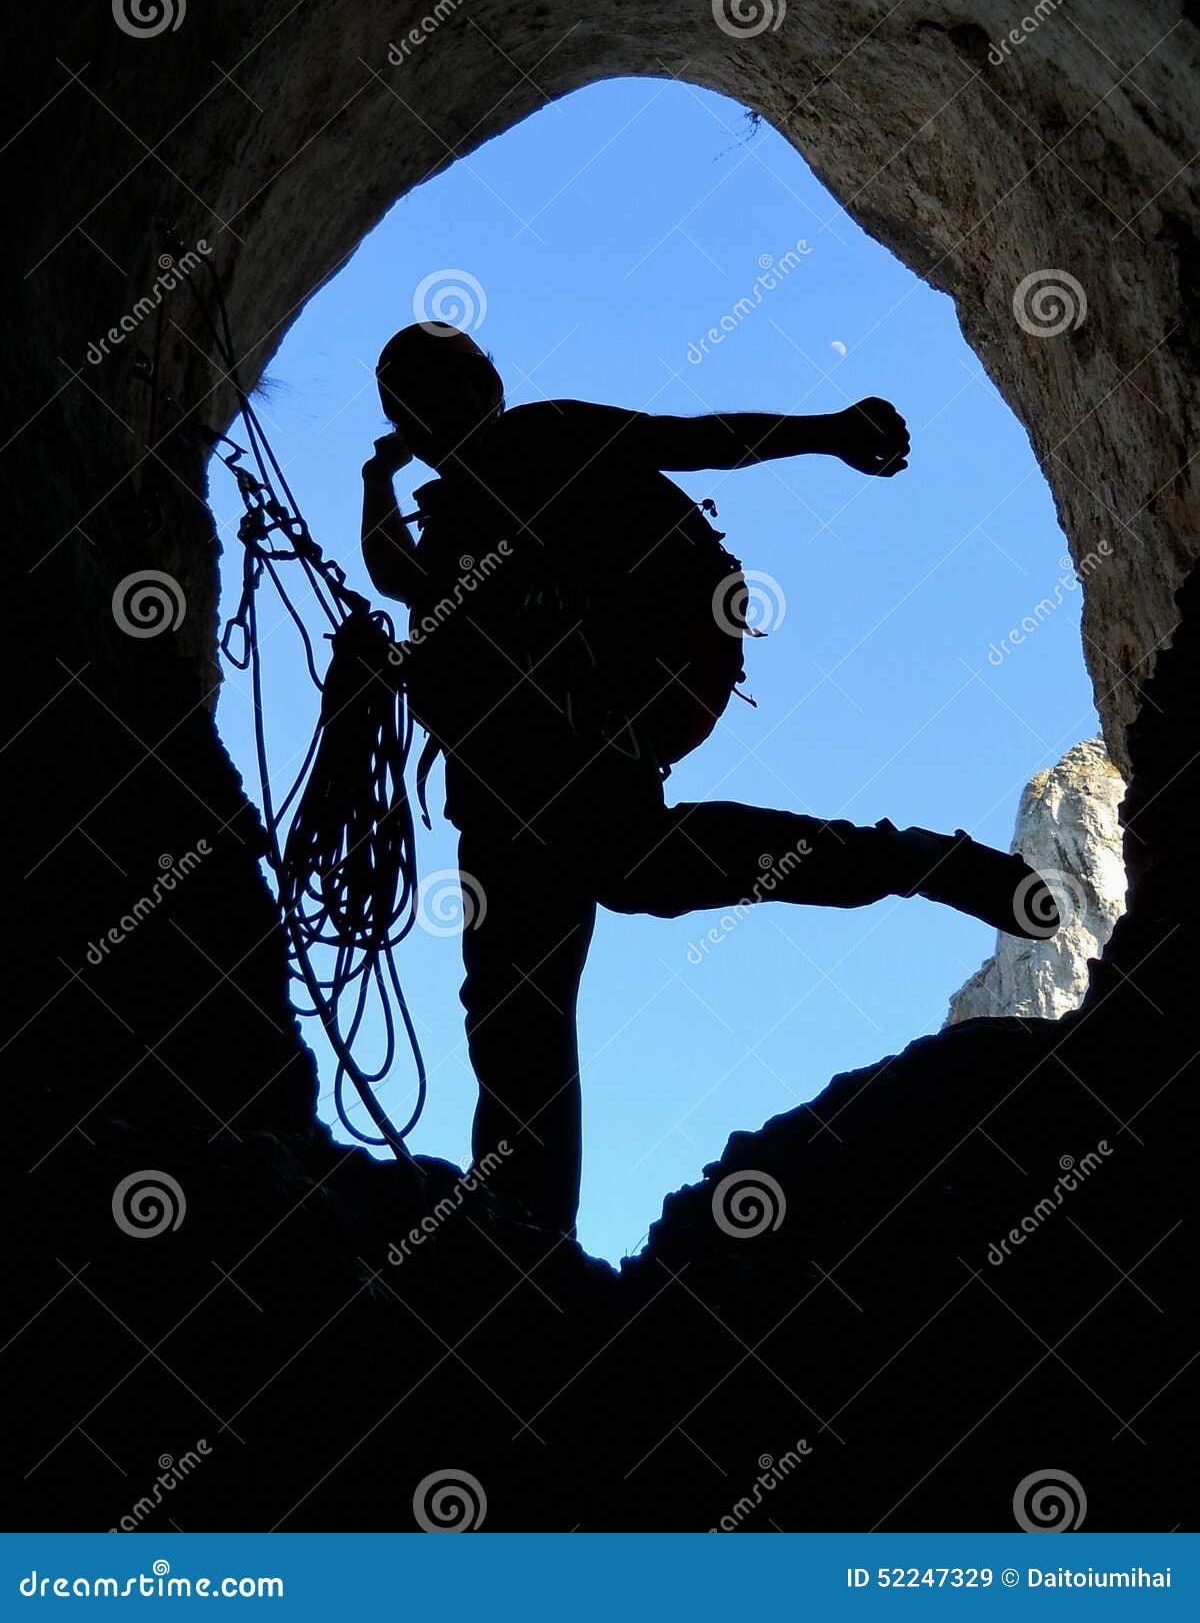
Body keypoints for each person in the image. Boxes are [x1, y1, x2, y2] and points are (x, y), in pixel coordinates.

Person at [361, 321, 1059, 1236]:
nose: (437, 418)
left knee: (539, 995)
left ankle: (526, 1242)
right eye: (423, 406)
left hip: (554, 773)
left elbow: (692, 440)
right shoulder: (456, 506)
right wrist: (384, 484)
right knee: (537, 996)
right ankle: (525, 1240)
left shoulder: (542, 437)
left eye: (431, 400)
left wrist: (826, 429)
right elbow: (402, 577)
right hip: (518, 790)